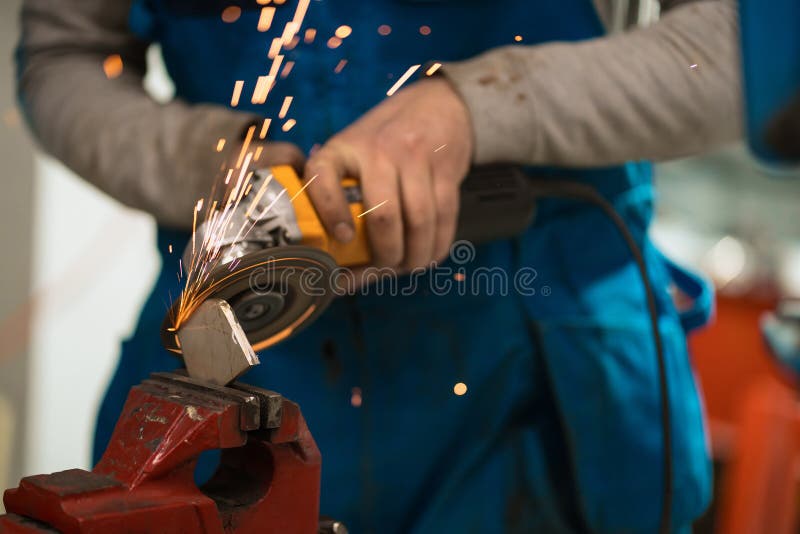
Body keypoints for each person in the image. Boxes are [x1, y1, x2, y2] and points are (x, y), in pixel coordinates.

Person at [16, 0, 741, 532]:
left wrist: (479, 108)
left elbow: (745, 44)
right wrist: (210, 161)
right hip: (235, 358)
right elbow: (63, 56)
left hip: (540, 375)